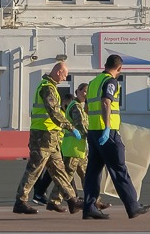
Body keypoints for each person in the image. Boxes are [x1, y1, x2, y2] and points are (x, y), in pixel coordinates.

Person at [83, 54, 150, 220]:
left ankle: (89, 207)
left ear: (105, 65)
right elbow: (106, 102)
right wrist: (107, 127)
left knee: (93, 172)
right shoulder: (110, 81)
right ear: (119, 68)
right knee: (119, 169)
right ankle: (133, 206)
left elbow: (86, 108)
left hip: (93, 132)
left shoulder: (93, 83)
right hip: (108, 133)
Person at [13, 62, 83, 215]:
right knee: (34, 169)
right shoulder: (47, 88)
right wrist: (70, 126)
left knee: (59, 169)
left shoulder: (49, 87)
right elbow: (54, 112)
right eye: (65, 75)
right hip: (43, 135)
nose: (65, 78)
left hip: (51, 136)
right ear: (58, 72)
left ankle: (72, 200)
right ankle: (20, 201)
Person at [45, 84, 112, 213]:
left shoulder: (79, 107)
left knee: (88, 176)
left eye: (88, 92)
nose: (86, 94)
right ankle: (53, 201)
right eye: (84, 91)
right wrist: (94, 136)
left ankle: (95, 201)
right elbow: (81, 125)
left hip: (79, 149)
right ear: (78, 91)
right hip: (73, 148)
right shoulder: (75, 107)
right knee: (67, 176)